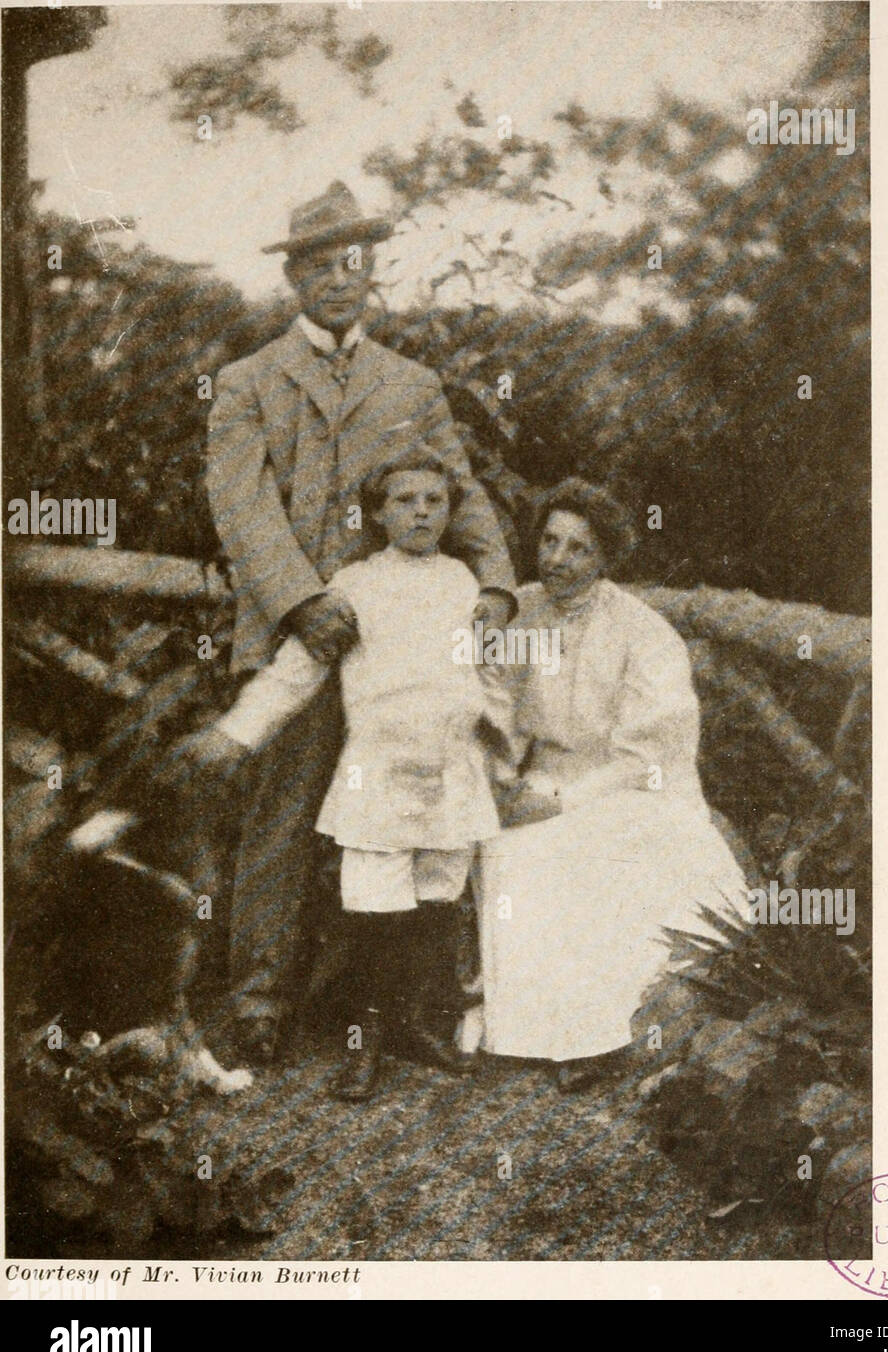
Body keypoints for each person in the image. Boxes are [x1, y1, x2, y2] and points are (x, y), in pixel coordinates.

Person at [203, 181, 515, 1064]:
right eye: (319, 263)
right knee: (283, 816)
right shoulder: (248, 382)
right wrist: (304, 601)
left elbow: (461, 490)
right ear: (295, 277)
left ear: (370, 273)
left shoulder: (411, 384)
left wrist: (493, 583)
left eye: (354, 262)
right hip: (296, 633)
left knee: (409, 816)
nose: (339, 279)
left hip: (400, 648)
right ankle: (261, 1001)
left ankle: (387, 1007)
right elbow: (240, 502)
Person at [216, 454, 511, 1100]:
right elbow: (298, 671)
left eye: (434, 500)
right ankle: (365, 1040)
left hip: (450, 769)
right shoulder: (353, 584)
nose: (421, 513)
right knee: (374, 906)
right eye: (404, 501)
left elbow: (486, 675)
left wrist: (504, 746)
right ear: (376, 513)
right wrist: (236, 732)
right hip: (377, 771)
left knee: (435, 898)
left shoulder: (465, 582)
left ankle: (412, 1024)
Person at [468, 478, 748, 1092]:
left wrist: (564, 800)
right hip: (538, 774)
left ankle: (600, 1033)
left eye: (579, 549)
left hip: (630, 786)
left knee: (585, 848)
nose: (558, 560)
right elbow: (495, 703)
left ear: (605, 559)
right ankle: (526, 1026)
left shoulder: (641, 630)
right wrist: (503, 777)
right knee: (506, 847)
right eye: (550, 541)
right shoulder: (519, 611)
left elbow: (653, 752)